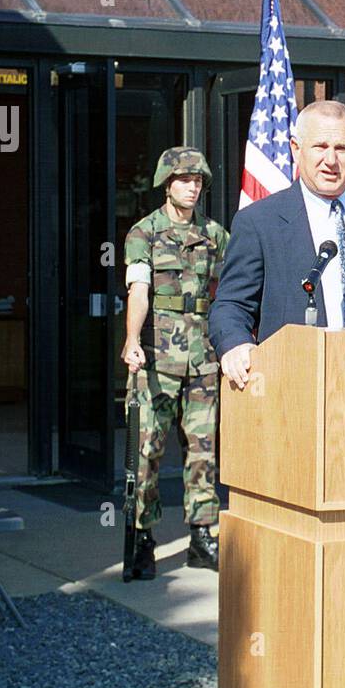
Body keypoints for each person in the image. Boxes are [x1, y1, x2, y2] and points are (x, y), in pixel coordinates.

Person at [210, 100, 345, 387]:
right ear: (295, 149)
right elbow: (231, 305)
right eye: (320, 146)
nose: (330, 160)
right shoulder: (259, 222)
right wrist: (235, 345)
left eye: (341, 148)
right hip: (298, 386)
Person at [121, 148, 229, 574]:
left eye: (198, 180)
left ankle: (203, 536)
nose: (193, 186)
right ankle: (141, 538)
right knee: (146, 452)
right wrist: (131, 340)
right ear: (167, 184)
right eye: (185, 179)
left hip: (203, 358)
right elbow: (139, 292)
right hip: (156, 362)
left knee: (203, 452)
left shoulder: (216, 235)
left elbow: (228, 293)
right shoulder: (143, 233)